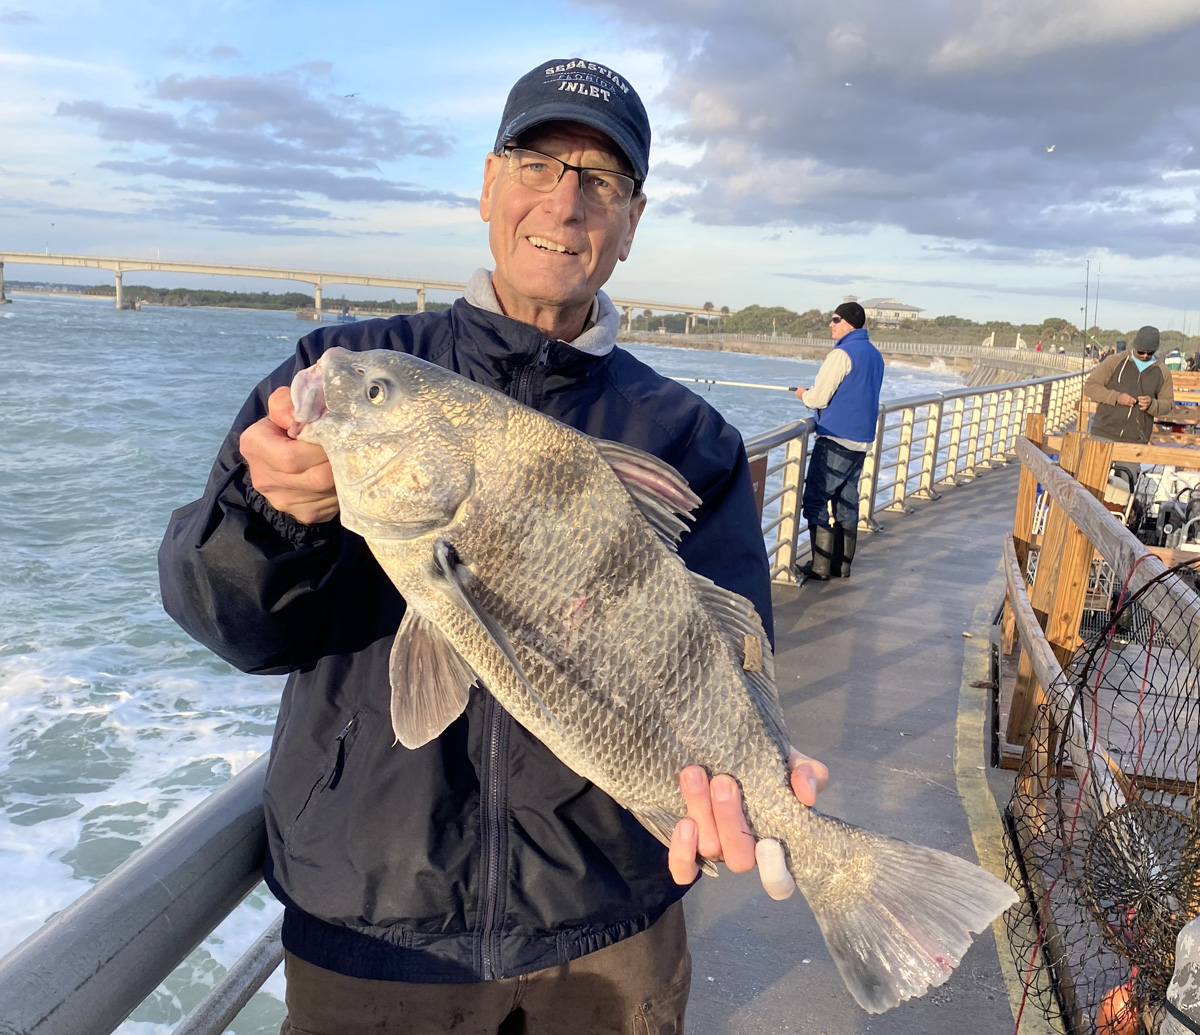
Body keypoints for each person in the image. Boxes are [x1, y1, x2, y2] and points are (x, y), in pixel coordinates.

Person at [158, 57, 826, 1035]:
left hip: (612, 929)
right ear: (486, 184)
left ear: (633, 222)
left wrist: (752, 779)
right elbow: (229, 623)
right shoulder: (346, 375)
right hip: (372, 931)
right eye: (538, 162)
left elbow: (728, 653)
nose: (565, 201)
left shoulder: (692, 440)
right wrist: (274, 515)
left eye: (600, 180)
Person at [793, 301, 884, 581]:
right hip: (862, 439)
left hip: (836, 437)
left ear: (848, 322)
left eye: (834, 319)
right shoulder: (874, 355)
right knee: (846, 501)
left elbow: (819, 397)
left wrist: (803, 396)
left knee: (816, 499)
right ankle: (841, 566)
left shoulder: (841, 354)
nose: (830, 325)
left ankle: (820, 567)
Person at [1084, 324, 1175, 444]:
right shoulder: (1114, 361)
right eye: (1141, 352)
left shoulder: (1163, 371)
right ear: (1135, 346)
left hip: (1136, 441)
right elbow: (1090, 387)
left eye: (1150, 352)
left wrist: (1152, 404)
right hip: (1103, 434)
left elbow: (1168, 403)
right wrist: (1116, 397)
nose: (1145, 355)